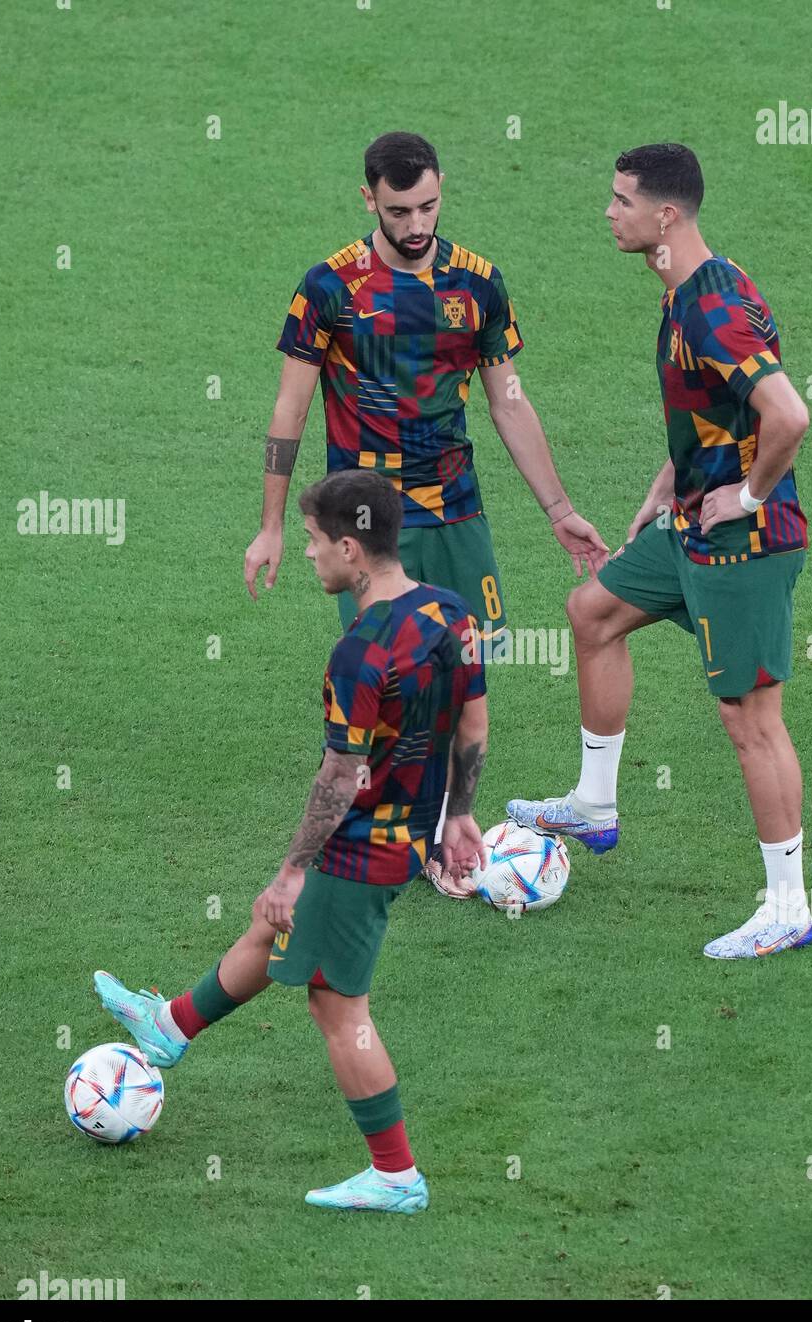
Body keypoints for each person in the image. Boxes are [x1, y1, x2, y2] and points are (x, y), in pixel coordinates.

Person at [97, 472, 489, 1212]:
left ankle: (396, 1176)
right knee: (271, 932)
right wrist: (458, 814)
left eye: (312, 541)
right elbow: (472, 725)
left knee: (336, 1007)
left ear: (350, 546)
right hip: (407, 834)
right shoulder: (450, 612)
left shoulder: (359, 652)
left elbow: (340, 778)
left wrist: (290, 870)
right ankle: (171, 1027)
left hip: (362, 845)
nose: (306, 554)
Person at [243, 130, 608, 898]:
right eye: (399, 209)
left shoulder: (477, 284)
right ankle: (378, 827)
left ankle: (445, 821)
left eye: (429, 206)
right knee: (382, 679)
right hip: (367, 523)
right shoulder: (329, 287)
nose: (416, 225)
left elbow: (508, 401)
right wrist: (274, 524)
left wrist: (559, 508)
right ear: (368, 198)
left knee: (462, 667)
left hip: (455, 508)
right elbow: (289, 406)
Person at [507, 144, 812, 961]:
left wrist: (745, 495)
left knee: (749, 721)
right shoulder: (690, 287)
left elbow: (787, 416)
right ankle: (593, 803)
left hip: (742, 546)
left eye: (620, 201)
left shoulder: (711, 308)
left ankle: (786, 905)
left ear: (665, 216)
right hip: (688, 526)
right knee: (592, 611)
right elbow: (715, 413)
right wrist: (665, 483)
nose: (608, 212)